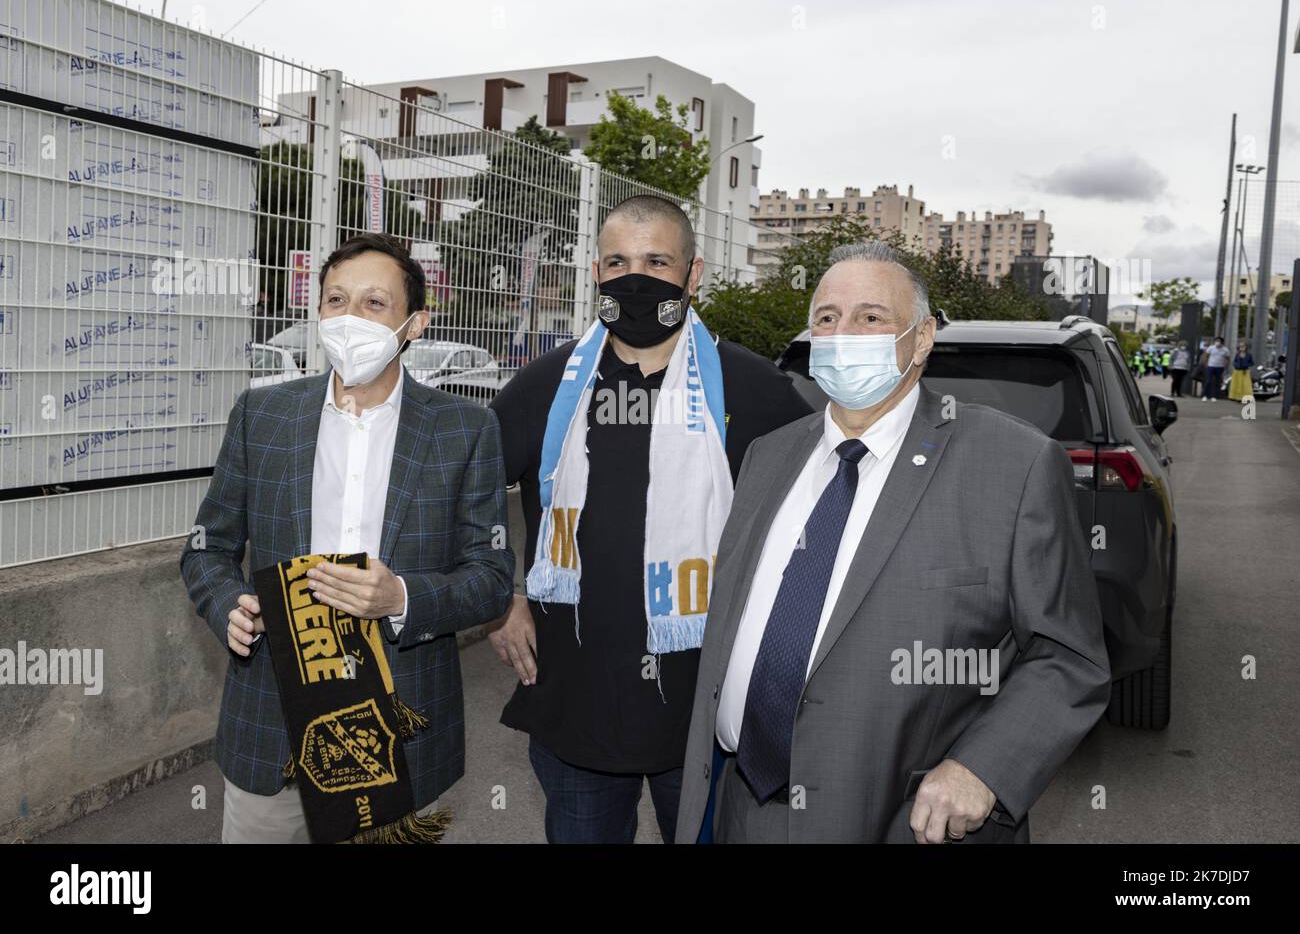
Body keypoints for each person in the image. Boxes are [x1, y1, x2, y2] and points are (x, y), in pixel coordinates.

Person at [674, 240, 1110, 844]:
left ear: (923, 337)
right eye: (827, 318)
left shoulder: (1013, 464)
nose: (842, 333)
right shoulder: (768, 457)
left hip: (899, 823)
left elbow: (1069, 657)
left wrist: (983, 767)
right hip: (743, 808)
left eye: (870, 317)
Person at [487, 194, 812, 844]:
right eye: (618, 261)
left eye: (657, 261)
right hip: (577, 709)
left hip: (709, 716)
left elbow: (814, 531)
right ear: (596, 274)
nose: (634, 279)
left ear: (694, 275)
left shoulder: (759, 393)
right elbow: (459, 495)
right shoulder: (546, 387)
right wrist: (501, 596)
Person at [180, 232, 515, 842]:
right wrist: (227, 604)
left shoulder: (465, 429)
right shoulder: (264, 416)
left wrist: (402, 600)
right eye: (335, 300)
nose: (349, 318)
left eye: (373, 303)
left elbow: (490, 582)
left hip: (401, 726)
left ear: (414, 323)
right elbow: (207, 547)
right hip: (272, 715)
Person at [1203, 336, 1231, 402]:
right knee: (1208, 381)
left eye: (1219, 341)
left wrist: (1225, 366)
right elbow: (1206, 355)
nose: (1217, 343)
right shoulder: (1211, 348)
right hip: (1211, 366)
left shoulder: (1225, 350)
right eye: (1216, 341)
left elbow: (1228, 359)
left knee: (1217, 382)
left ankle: (1214, 396)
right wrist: (1206, 364)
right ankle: (1205, 395)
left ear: (1222, 343)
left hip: (1220, 367)